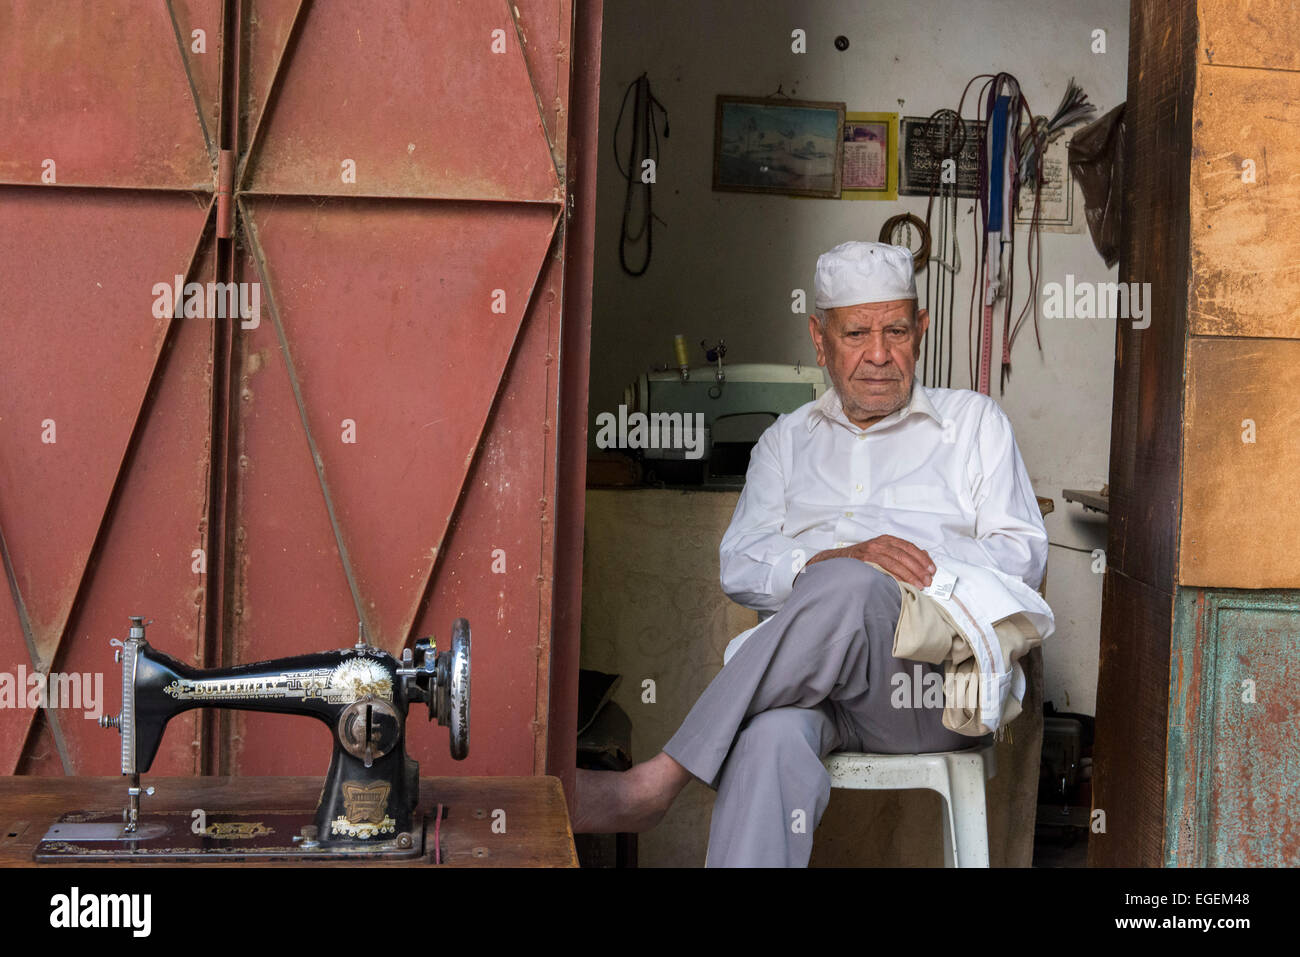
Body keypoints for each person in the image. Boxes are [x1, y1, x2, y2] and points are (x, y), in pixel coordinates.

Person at [572, 241, 1050, 866]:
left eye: (897, 331)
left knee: (853, 584)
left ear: (922, 329)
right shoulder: (785, 442)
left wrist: (904, 573)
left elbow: (1024, 558)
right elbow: (739, 564)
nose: (879, 355)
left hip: (926, 691)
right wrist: (828, 563)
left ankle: (658, 781)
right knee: (770, 740)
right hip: (811, 690)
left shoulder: (976, 425)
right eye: (856, 333)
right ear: (819, 338)